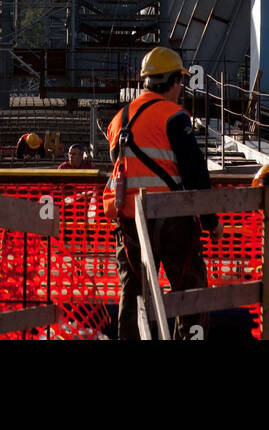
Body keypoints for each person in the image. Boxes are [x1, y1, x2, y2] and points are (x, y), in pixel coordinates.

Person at [103, 46, 219, 340]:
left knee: (133, 294)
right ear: (174, 82)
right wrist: (209, 221)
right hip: (172, 220)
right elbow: (195, 174)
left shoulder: (119, 120)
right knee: (189, 289)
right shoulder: (174, 116)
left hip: (130, 222)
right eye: (180, 81)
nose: (181, 87)